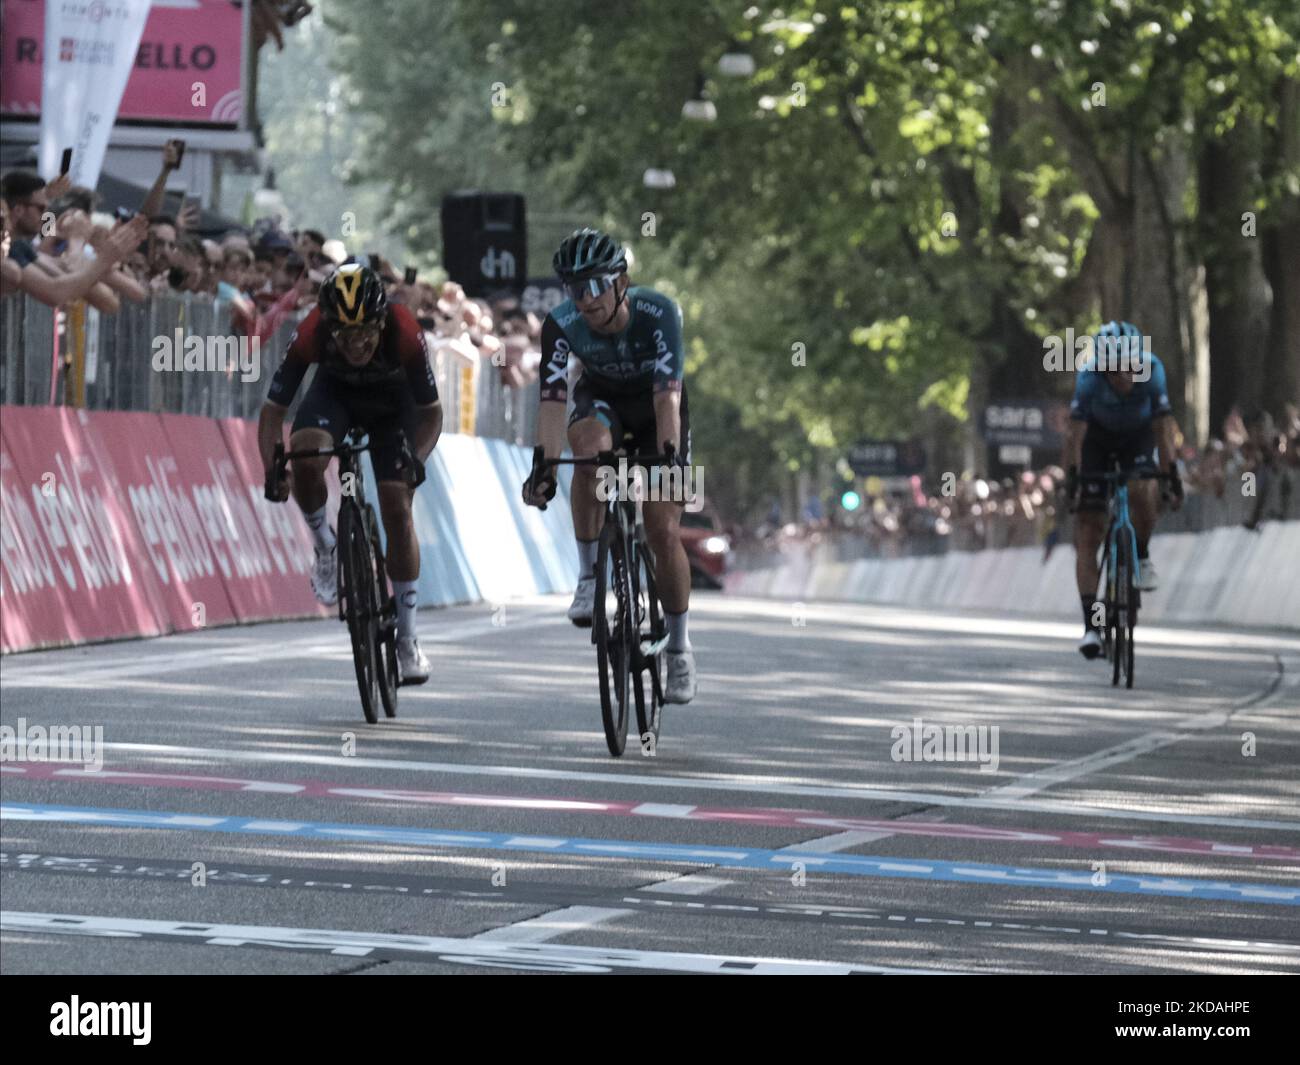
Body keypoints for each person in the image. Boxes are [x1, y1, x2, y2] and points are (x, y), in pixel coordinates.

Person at [521, 228, 698, 704]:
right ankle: (587, 576)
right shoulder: (561, 324)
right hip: (601, 403)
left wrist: (667, 461)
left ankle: (679, 650)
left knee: (663, 528)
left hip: (656, 409)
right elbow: (553, 400)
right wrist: (543, 465)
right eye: (576, 289)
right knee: (589, 453)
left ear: (622, 282)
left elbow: (667, 395)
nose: (587, 299)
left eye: (597, 286)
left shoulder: (660, 313)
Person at [258, 263, 443, 684]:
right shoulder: (312, 330)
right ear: (330, 328)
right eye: (345, 335)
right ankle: (326, 546)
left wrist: (417, 457)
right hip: (336, 397)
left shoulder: (404, 328)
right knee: (303, 454)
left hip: (394, 407)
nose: (356, 343)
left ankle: (408, 639)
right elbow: (273, 412)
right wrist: (273, 467)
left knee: (397, 506)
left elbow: (431, 412)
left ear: (381, 321)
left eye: (365, 333)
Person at [1066, 320, 1183, 659]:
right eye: (1115, 371)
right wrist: (1074, 478)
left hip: (1137, 438)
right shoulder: (1088, 379)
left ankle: (1141, 553)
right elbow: (1076, 435)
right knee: (1088, 529)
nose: (1124, 376)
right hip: (1097, 443)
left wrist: (1171, 475)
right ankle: (1092, 626)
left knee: (1144, 491)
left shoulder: (1153, 370)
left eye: (1130, 366)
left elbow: (1163, 428)